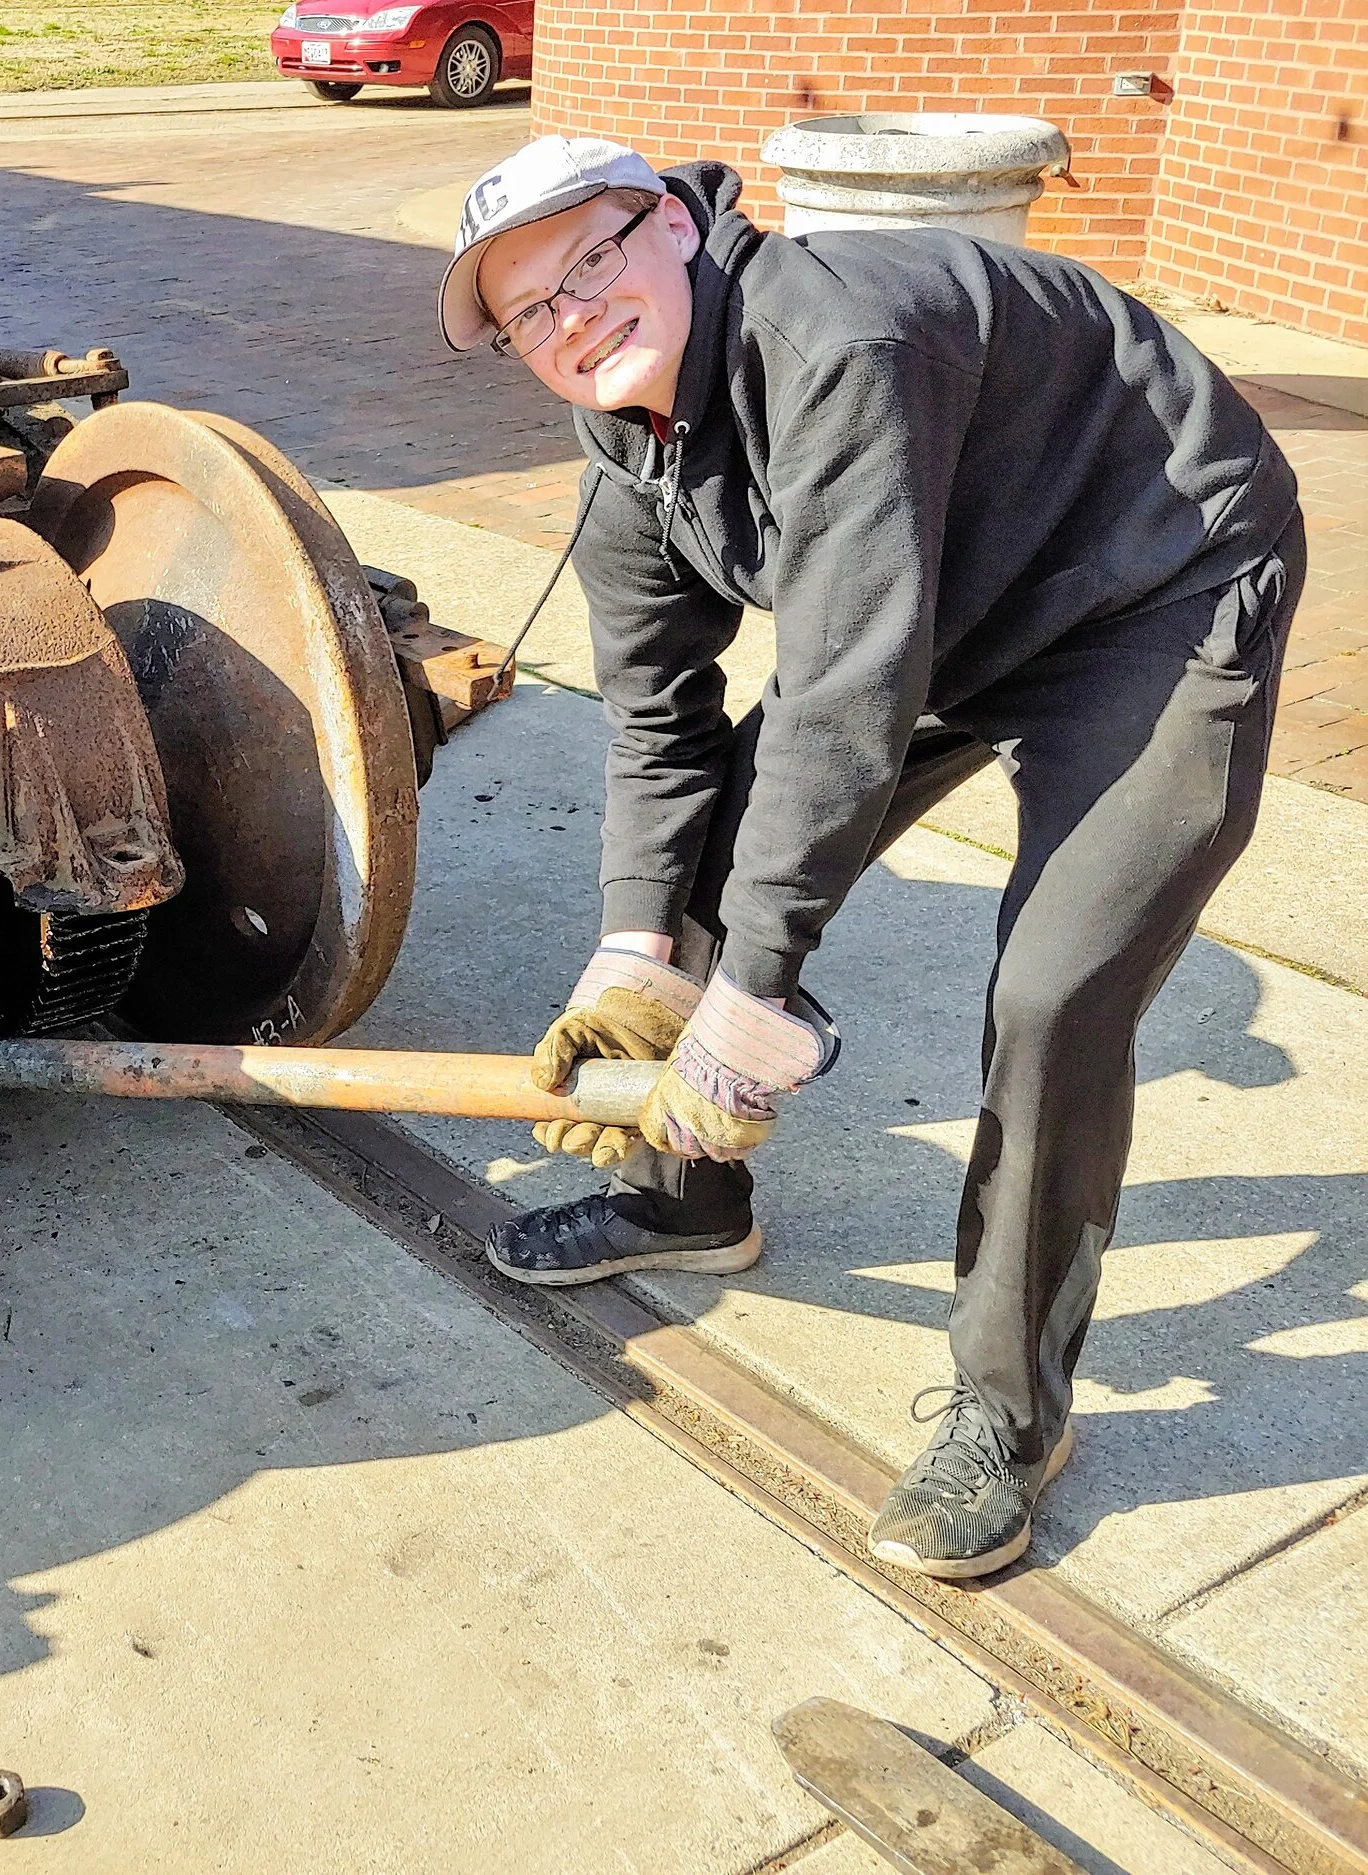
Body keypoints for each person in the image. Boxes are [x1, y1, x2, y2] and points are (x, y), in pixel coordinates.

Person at [439, 136, 1302, 1577]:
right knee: (702, 867)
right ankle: (686, 1200)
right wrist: (636, 958)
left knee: (1057, 992)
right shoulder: (627, 453)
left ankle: (1009, 1410)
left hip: (1154, 589)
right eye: (529, 312)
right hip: (947, 610)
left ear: (671, 227)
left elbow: (845, 695)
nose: (571, 317)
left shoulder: (836, 342)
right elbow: (658, 722)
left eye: (589, 262)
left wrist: (750, 997)